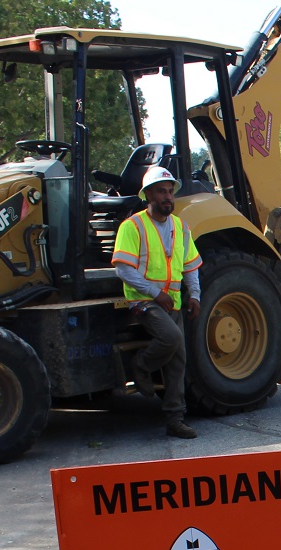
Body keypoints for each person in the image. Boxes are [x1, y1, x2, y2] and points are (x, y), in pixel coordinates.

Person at [112, 165, 203, 439]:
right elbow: (124, 270)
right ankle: (141, 365)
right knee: (172, 338)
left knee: (178, 361)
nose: (168, 197)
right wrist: (154, 293)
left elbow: (190, 266)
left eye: (170, 192)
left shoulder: (180, 227)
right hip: (144, 301)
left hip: (171, 302)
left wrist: (195, 295)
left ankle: (175, 420)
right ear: (148, 195)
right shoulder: (132, 226)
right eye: (161, 192)